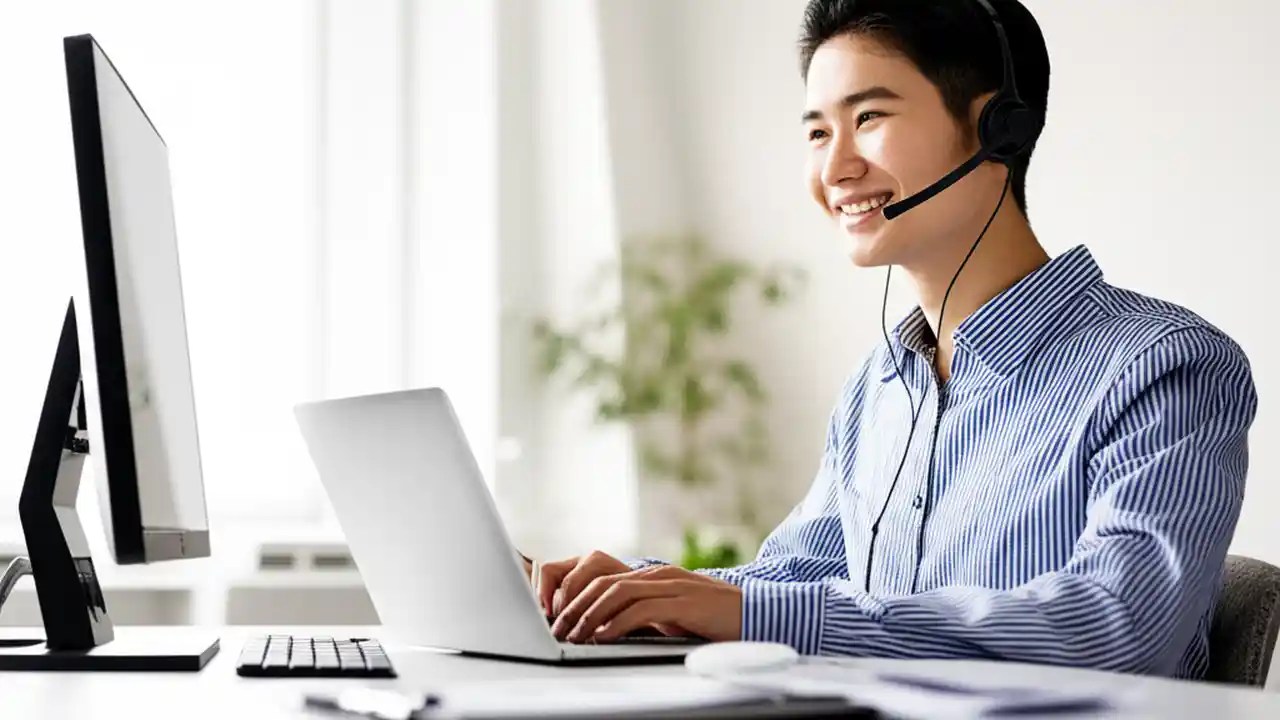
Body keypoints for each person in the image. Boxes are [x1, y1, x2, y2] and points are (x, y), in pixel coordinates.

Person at [522, 0, 1258, 679]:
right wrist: (623, 591)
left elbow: (1119, 625)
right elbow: (795, 578)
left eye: (868, 117)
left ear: (998, 127)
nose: (834, 168)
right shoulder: (880, 385)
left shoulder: (1166, 365)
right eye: (817, 132)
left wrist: (753, 612)